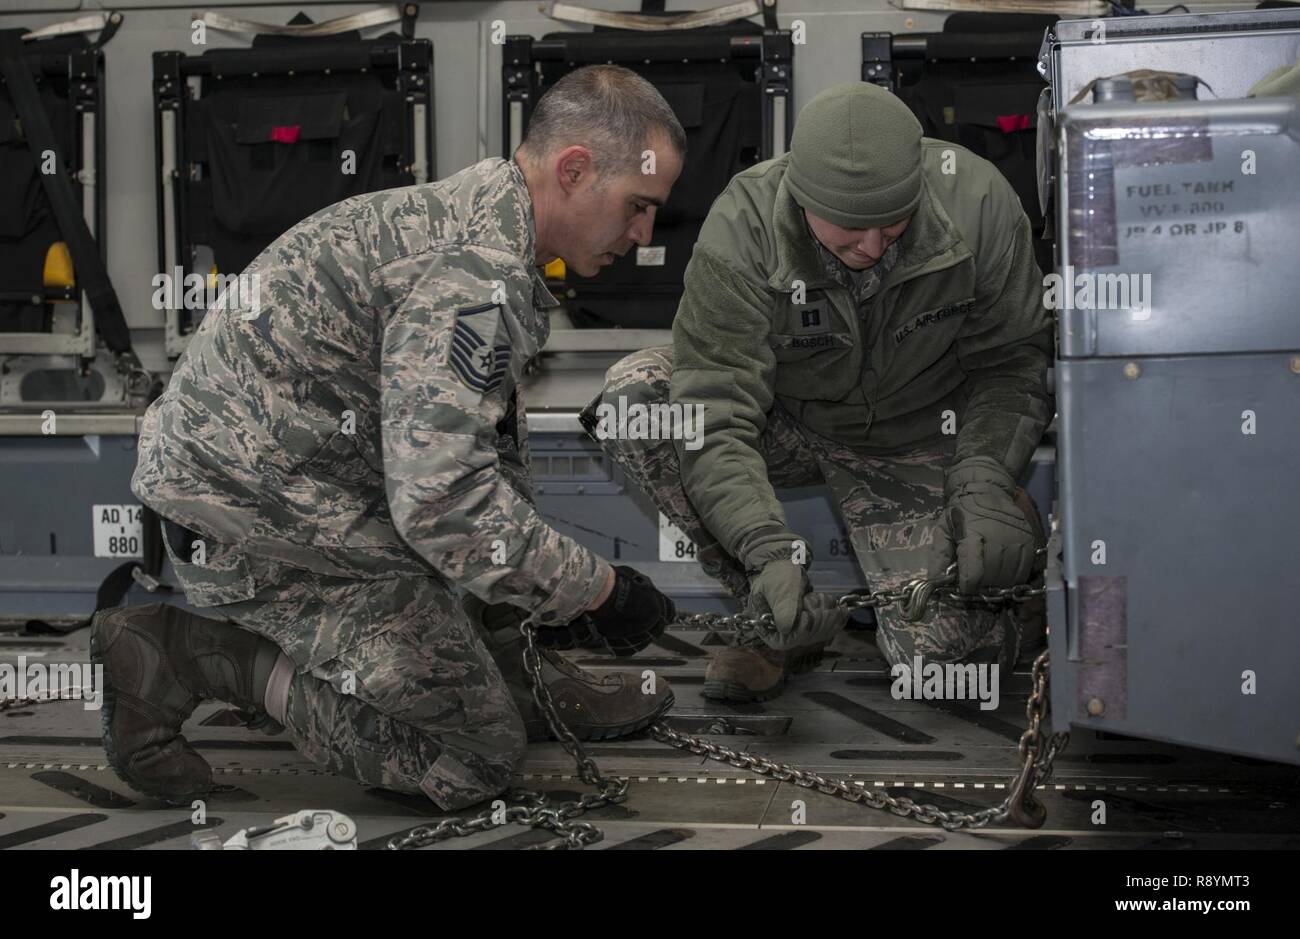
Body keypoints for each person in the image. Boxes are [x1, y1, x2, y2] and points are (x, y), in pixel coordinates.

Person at [93, 65, 685, 810]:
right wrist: (598, 592)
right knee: (471, 757)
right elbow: (445, 506)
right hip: (248, 521)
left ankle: (513, 677)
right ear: (573, 170)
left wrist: (538, 608)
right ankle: (196, 657)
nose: (644, 234)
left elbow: (479, 456)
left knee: (479, 644)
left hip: (307, 492)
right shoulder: (474, 270)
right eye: (639, 206)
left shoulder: (481, 226)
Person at [584, 81, 1051, 702]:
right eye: (852, 231)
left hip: (923, 436)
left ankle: (1005, 577)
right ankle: (778, 611)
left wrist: (986, 481)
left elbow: (1013, 363)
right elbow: (715, 412)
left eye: (894, 223)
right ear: (801, 200)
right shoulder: (743, 229)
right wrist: (765, 550)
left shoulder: (979, 201)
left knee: (943, 673)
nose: (874, 247)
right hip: (795, 419)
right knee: (638, 401)